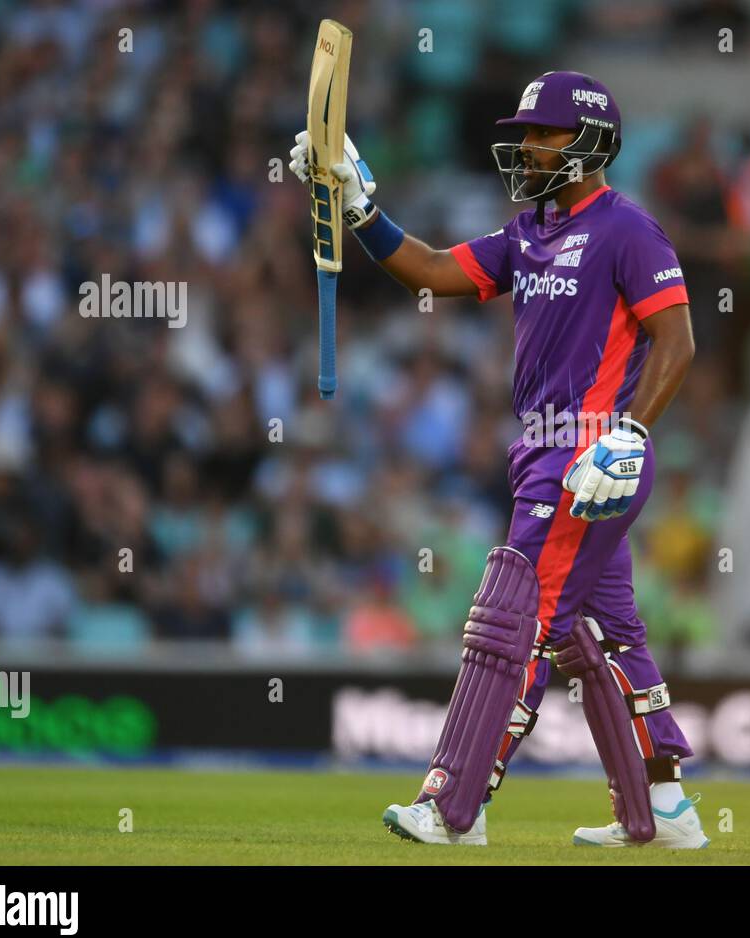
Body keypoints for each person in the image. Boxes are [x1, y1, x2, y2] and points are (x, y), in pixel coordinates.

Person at [290, 71, 706, 848]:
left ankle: (456, 803)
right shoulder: (526, 232)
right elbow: (433, 270)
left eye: (541, 135)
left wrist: (631, 434)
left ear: (586, 144)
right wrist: (357, 203)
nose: (525, 147)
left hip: (595, 452)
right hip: (542, 452)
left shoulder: (627, 229)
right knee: (603, 632)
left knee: (514, 616)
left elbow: (678, 341)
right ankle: (664, 806)